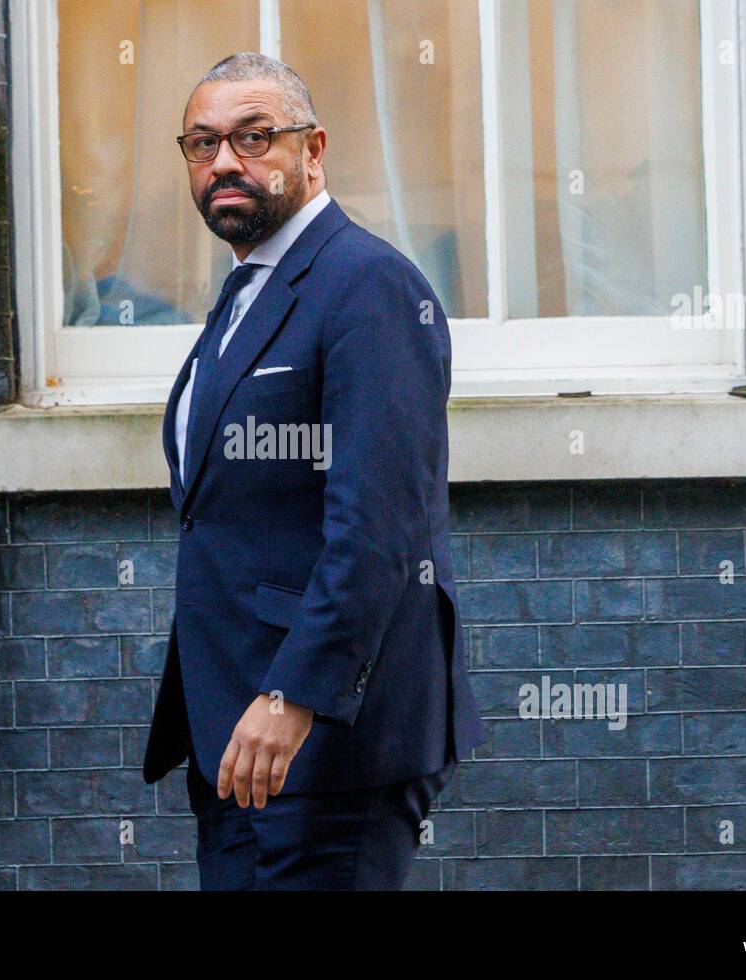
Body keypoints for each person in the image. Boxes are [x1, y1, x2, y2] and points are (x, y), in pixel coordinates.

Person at [142, 52, 485, 891]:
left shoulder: (366, 286)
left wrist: (294, 697)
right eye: (202, 143)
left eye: (255, 137)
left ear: (313, 148)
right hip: (236, 728)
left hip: (325, 738)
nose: (226, 161)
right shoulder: (250, 289)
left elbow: (380, 526)